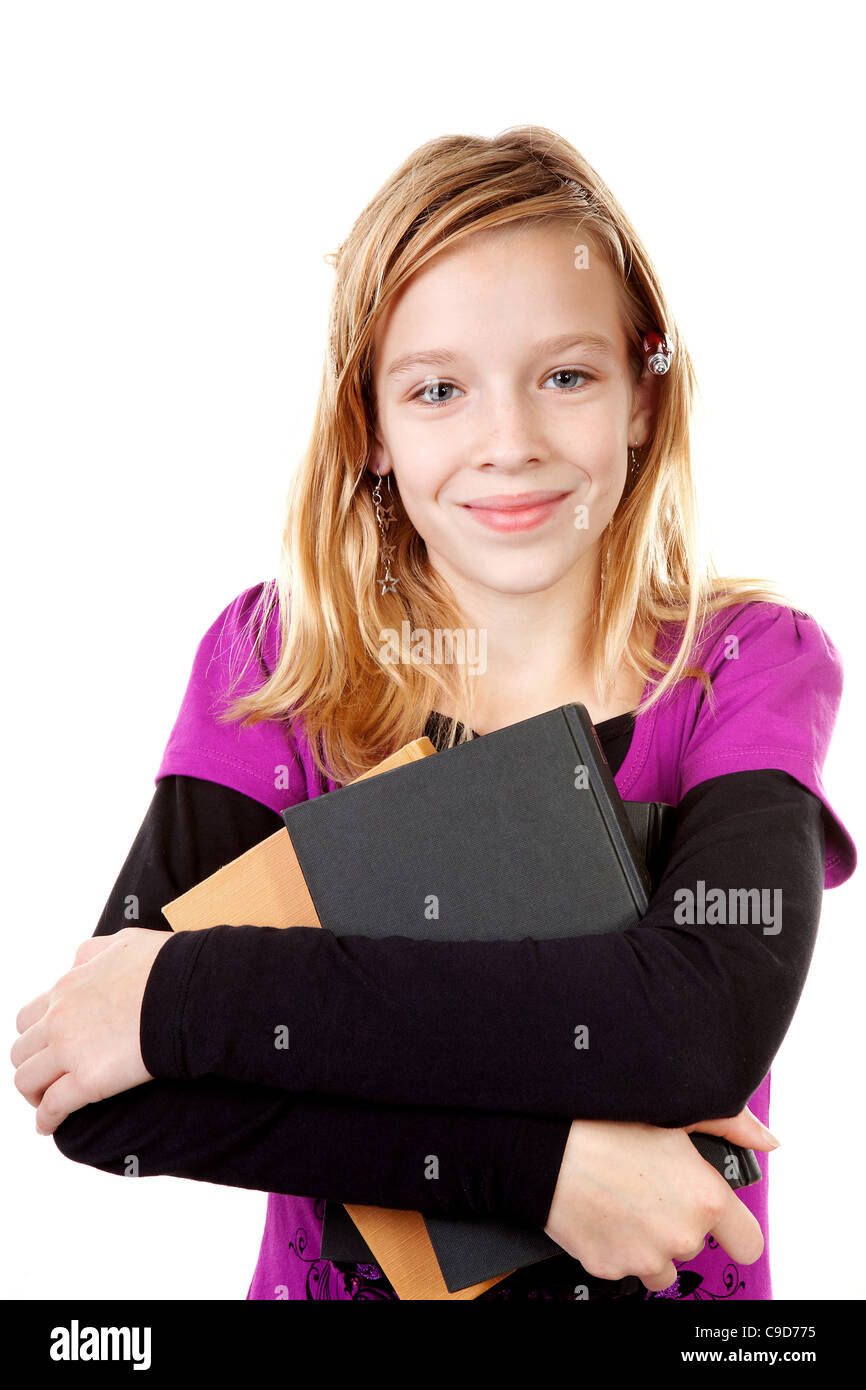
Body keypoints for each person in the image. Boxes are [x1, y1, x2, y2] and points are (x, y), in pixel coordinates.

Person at [12, 125, 856, 1302]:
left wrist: (181, 996)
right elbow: (103, 1094)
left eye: (564, 375)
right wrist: (538, 1168)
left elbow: (695, 1031)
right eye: (438, 389)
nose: (507, 443)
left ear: (640, 400)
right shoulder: (276, 665)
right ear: (369, 424)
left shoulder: (742, 667)